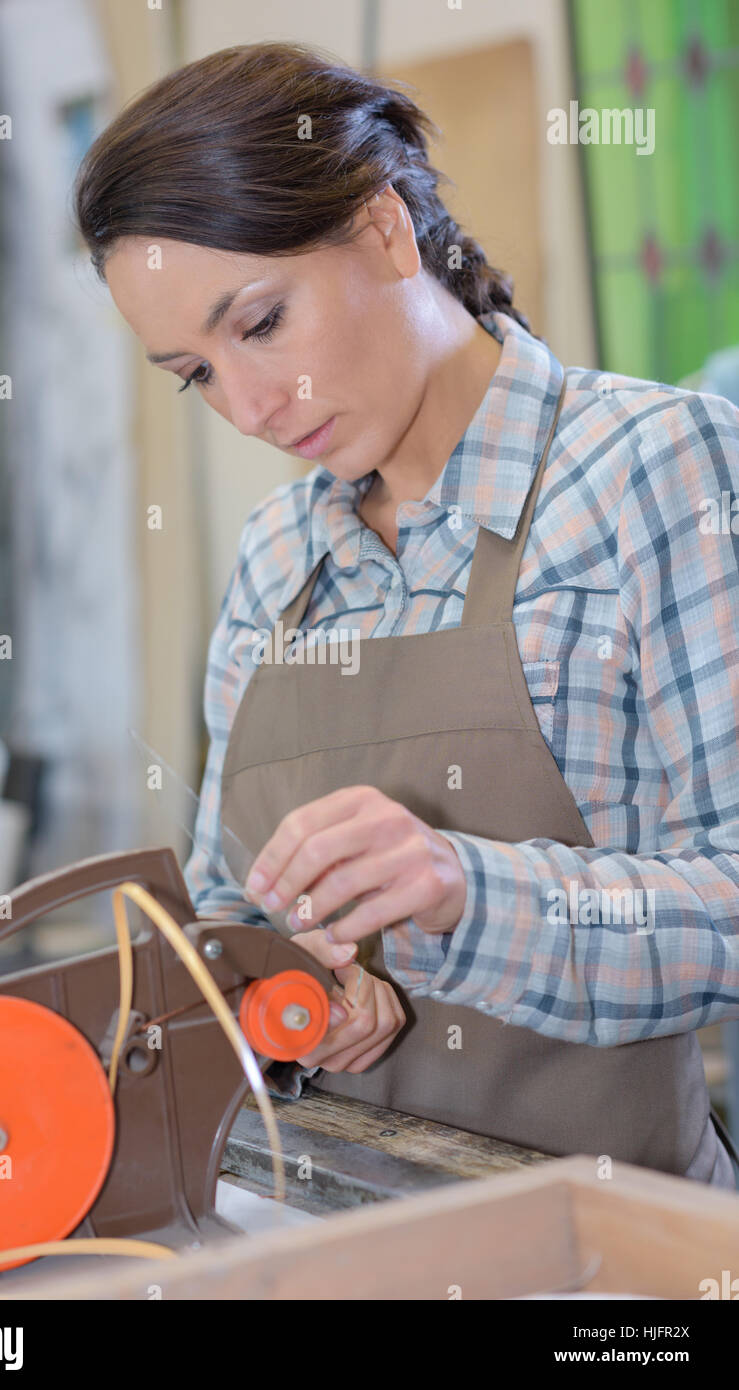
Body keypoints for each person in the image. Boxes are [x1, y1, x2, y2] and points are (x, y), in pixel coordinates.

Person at [74, 40, 739, 1186]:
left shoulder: (657, 470)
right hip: (339, 1220)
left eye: (260, 324)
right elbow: (230, 915)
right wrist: (290, 995)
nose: (248, 408)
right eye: (196, 373)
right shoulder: (279, 556)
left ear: (385, 229)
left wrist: (464, 895)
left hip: (613, 1239)